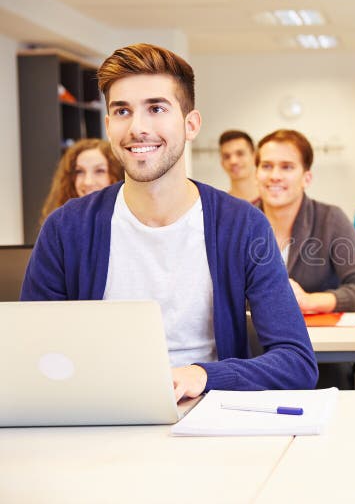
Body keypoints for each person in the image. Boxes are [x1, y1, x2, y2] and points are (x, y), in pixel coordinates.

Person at [21, 43, 317, 399]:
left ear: (190, 124)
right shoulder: (67, 228)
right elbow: (30, 359)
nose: (138, 127)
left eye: (156, 108)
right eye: (122, 111)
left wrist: (202, 375)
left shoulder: (242, 225)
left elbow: (296, 362)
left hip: (209, 414)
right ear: (109, 125)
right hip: (100, 414)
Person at [253, 128, 355, 313]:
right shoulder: (239, 223)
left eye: (287, 167)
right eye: (266, 166)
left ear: (306, 178)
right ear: (256, 174)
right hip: (256, 338)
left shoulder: (330, 219)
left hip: (320, 339)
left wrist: (309, 301)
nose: (275, 176)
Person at [40, 138, 124, 223]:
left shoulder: (127, 222)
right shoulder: (58, 224)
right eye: (80, 171)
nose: (88, 182)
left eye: (99, 171)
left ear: (116, 175)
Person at [219, 129, 259, 203]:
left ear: (254, 156)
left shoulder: (270, 201)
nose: (233, 161)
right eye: (227, 156)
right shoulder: (221, 206)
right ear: (222, 163)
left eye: (240, 154)